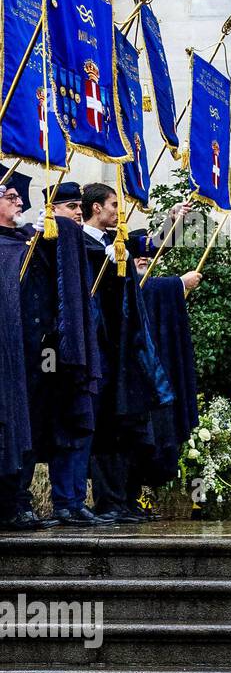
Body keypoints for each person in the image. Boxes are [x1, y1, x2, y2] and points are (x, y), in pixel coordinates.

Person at [6, 181, 105, 527]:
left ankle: (69, 500)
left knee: (67, 421)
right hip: (31, 354)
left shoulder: (56, 244)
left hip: (57, 352)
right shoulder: (27, 244)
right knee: (32, 424)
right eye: (70, 207)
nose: (78, 213)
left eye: (80, 207)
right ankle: (21, 500)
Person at [80, 182, 174, 524]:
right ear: (96, 209)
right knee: (105, 429)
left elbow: (154, 241)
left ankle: (125, 499)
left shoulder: (114, 242)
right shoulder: (79, 244)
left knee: (128, 427)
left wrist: (173, 218)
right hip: (100, 350)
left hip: (125, 351)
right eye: (113, 204)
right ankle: (108, 500)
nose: (117, 210)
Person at [127, 226, 202, 514]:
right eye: (139, 255)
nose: (144, 259)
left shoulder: (149, 282)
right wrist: (178, 284)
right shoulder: (123, 280)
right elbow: (138, 291)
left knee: (153, 439)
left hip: (154, 377)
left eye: (148, 255)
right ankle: (124, 499)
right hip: (133, 376)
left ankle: (133, 500)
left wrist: (175, 220)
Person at [0, 182, 34, 529]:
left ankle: (14, 503)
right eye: (11, 196)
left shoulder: (27, 242)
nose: (19, 201)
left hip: (23, 352)